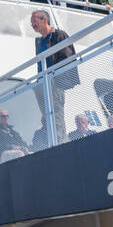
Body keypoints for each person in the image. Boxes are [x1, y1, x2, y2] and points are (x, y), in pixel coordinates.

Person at [29, 9, 76, 147]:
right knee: (47, 118)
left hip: (55, 84)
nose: (32, 24)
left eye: (34, 21)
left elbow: (68, 58)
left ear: (45, 20)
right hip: (42, 84)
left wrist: (56, 78)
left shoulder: (59, 35)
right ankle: (51, 143)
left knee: (56, 116)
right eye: (31, 22)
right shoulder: (39, 41)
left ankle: (61, 145)